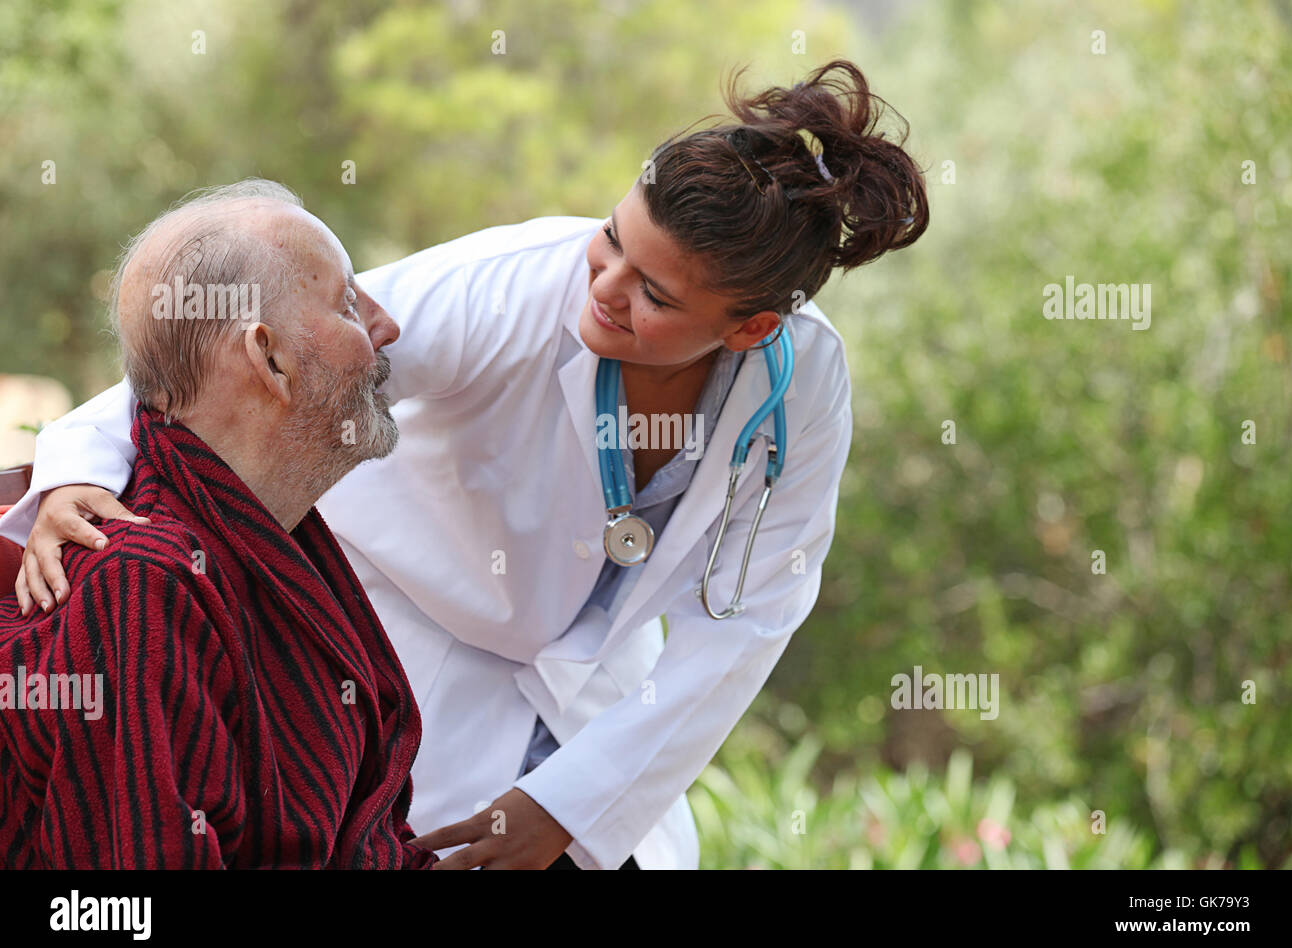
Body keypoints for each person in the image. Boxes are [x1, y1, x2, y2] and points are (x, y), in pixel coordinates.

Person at [2, 60, 928, 869]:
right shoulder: (518, 284)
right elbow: (249, 354)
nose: (601, 288)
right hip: (390, 637)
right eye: (612, 238)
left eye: (652, 293)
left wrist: (568, 808)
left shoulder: (802, 384)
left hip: (584, 704)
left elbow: (753, 618)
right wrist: (75, 468)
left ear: (752, 328)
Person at [0, 181, 440, 868]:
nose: (387, 327)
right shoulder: (141, 584)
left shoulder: (285, 539)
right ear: (268, 358)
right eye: (349, 304)